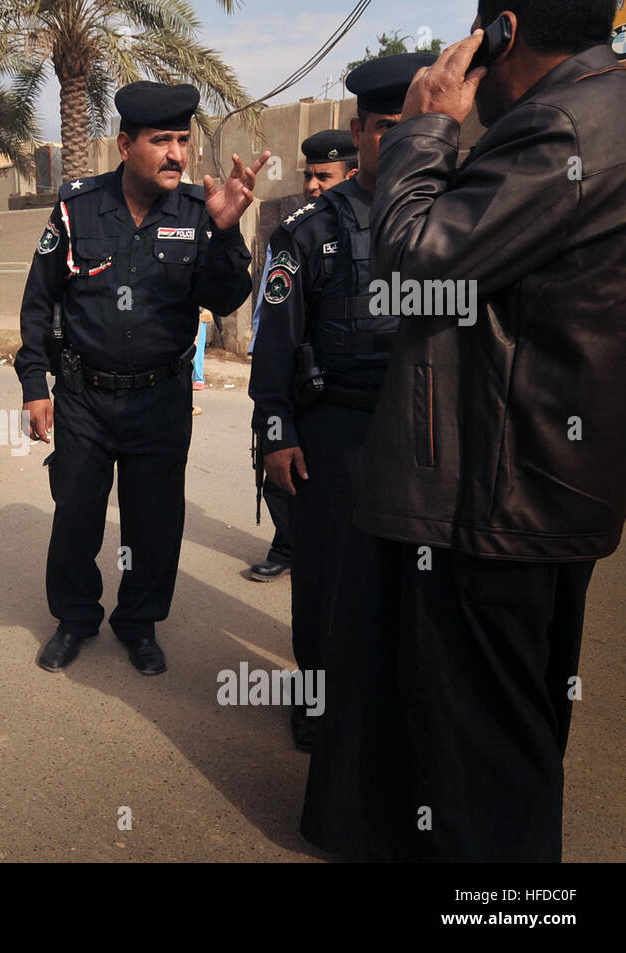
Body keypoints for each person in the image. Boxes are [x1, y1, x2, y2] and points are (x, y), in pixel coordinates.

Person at [305, 0, 626, 862]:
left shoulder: (562, 127)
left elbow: (413, 264)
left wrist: (423, 132)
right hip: (543, 489)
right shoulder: (602, 109)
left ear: (505, 32)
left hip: (498, 503)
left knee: (488, 780)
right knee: (495, 749)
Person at [16, 81, 265, 676]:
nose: (177, 153)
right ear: (126, 145)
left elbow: (226, 299)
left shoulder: (199, 214)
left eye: (183, 140)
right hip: (84, 396)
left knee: (154, 522)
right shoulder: (77, 207)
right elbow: (40, 300)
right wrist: (33, 384)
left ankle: (139, 622)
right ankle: (75, 617)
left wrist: (228, 234)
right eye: (162, 141)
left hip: (160, 399)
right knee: (76, 513)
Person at [248, 56, 433, 751]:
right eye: (388, 127)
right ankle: (316, 699)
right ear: (358, 131)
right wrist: (277, 433)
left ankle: (389, 699)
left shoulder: (453, 218)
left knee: (413, 579)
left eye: (415, 125)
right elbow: (274, 348)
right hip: (336, 430)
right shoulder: (311, 229)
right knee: (327, 578)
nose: (402, 139)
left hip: (419, 432)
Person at [247, 130, 357, 584]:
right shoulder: (300, 228)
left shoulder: (370, 229)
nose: (312, 185)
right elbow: (273, 304)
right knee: (272, 457)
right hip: (286, 366)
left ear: (352, 174)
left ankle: (303, 544)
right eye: (309, 175)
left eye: (323, 176)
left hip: (332, 384)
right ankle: (285, 542)